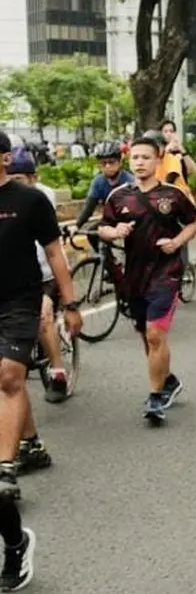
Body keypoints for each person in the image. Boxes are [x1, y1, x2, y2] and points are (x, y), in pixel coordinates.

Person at [0, 133, 80, 506]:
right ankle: (31, 445)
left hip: (21, 299)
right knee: (7, 381)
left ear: (4, 158)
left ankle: (5, 469)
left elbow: (54, 252)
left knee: (9, 375)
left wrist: (71, 303)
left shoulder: (29, 200)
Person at [99, 135, 196, 424]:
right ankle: (167, 380)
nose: (140, 162)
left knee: (156, 334)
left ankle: (155, 398)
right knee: (145, 334)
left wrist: (177, 242)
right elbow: (102, 228)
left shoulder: (172, 195)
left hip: (166, 272)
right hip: (135, 275)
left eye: (146, 157)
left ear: (158, 160)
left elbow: (192, 222)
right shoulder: (118, 197)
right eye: (136, 158)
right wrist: (115, 231)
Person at [7, 151, 71, 405]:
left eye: (20, 178)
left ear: (33, 178)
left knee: (43, 315)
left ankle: (57, 372)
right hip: (16, 278)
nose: (15, 183)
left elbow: (52, 249)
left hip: (45, 273)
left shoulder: (39, 197)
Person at [73, 141, 134, 230]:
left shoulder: (130, 181)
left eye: (111, 162)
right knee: (92, 232)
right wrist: (77, 225)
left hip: (130, 222)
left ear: (120, 162)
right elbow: (88, 207)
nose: (108, 166)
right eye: (103, 163)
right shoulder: (98, 182)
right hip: (110, 221)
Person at [156, 121, 196, 201]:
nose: (169, 134)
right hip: (162, 194)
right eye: (165, 131)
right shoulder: (158, 151)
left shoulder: (180, 150)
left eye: (171, 131)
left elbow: (193, 170)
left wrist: (182, 151)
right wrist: (166, 151)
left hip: (181, 194)